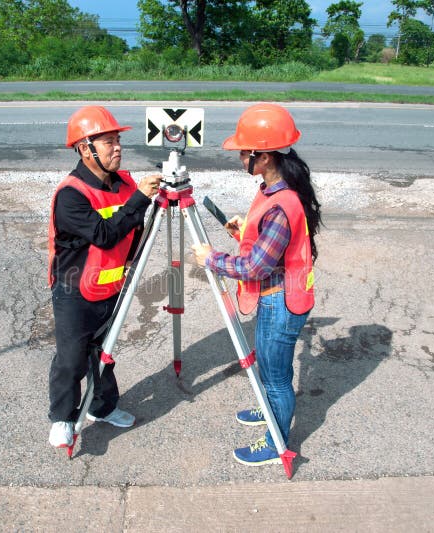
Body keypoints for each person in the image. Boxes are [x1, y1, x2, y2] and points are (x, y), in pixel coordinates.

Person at [191, 103, 322, 466]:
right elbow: (271, 246)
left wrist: (211, 260)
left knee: (277, 378)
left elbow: (255, 266)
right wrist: (245, 230)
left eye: (244, 153)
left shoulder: (282, 203)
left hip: (280, 301)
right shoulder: (274, 190)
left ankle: (276, 443)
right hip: (279, 295)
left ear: (263, 156)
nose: (240, 158)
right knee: (272, 368)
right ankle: (271, 409)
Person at [47, 105, 162, 448]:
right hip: (74, 290)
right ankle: (63, 418)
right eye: (108, 141)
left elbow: (136, 227)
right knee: (72, 357)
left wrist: (146, 197)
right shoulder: (71, 195)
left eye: (118, 140)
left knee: (104, 353)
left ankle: (103, 407)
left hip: (109, 284)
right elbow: (105, 234)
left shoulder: (124, 184)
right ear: (85, 149)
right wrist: (141, 198)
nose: (117, 147)